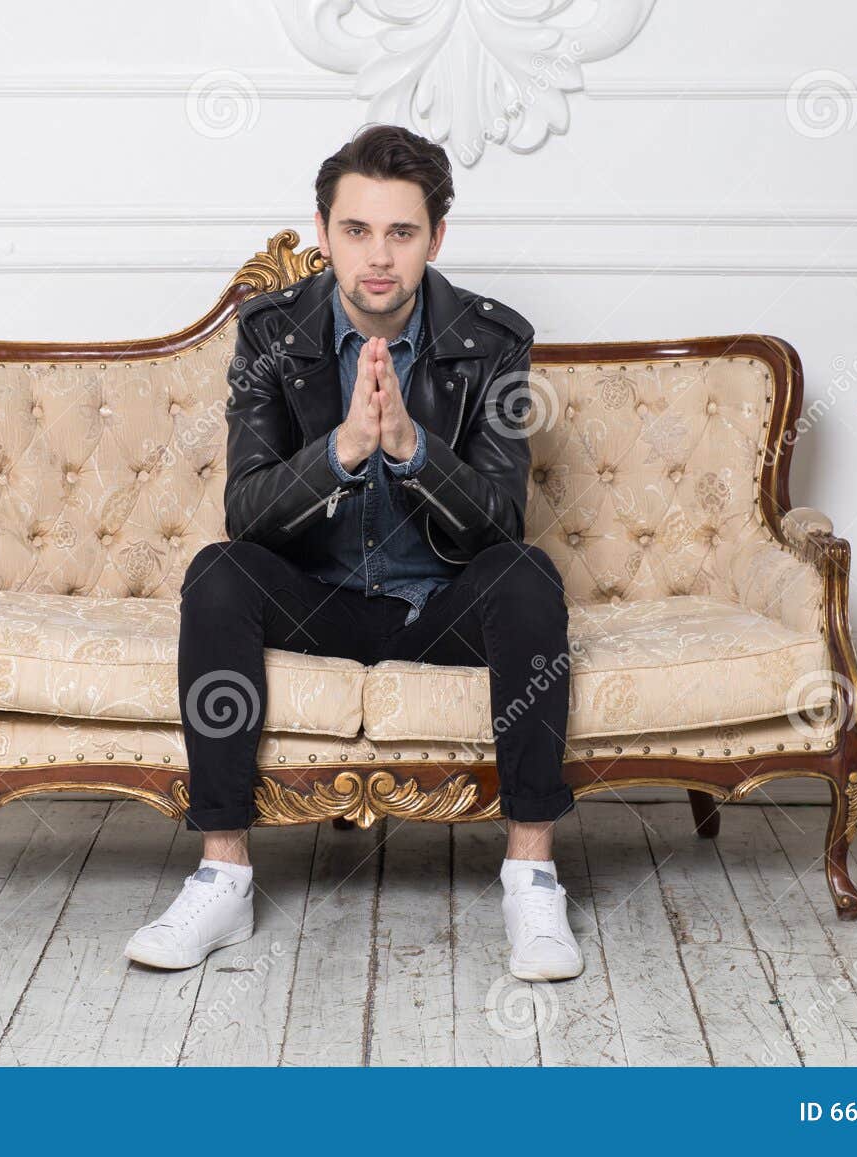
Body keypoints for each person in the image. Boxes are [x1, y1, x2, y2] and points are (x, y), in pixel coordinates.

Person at [123, 123, 580, 982]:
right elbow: (247, 512)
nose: (379, 256)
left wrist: (412, 449)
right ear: (325, 231)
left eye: (401, 232)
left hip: (434, 609)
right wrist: (340, 450)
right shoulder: (268, 334)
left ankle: (531, 877)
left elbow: (500, 521)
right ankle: (222, 875)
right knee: (217, 572)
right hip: (317, 603)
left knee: (528, 575)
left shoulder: (496, 342)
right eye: (357, 231)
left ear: (435, 238)